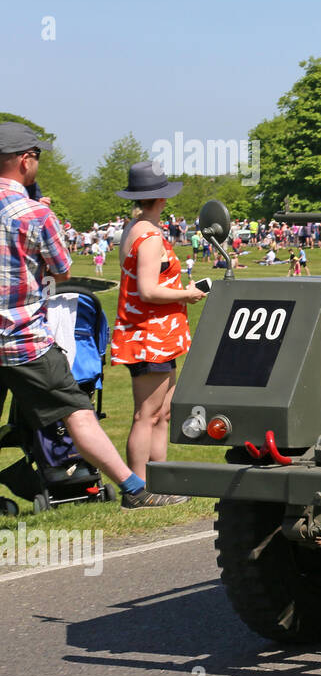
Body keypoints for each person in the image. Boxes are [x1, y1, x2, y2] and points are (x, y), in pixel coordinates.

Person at [0, 123, 160, 508]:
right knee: (76, 411)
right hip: (22, 339)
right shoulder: (34, 213)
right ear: (25, 161)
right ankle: (134, 489)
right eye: (36, 158)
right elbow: (62, 270)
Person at [110, 162, 206, 502]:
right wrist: (188, 293)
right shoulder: (149, 237)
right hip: (149, 335)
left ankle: (160, 482)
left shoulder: (134, 228)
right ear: (161, 199)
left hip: (157, 334)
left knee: (162, 412)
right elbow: (149, 290)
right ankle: (138, 488)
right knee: (147, 414)